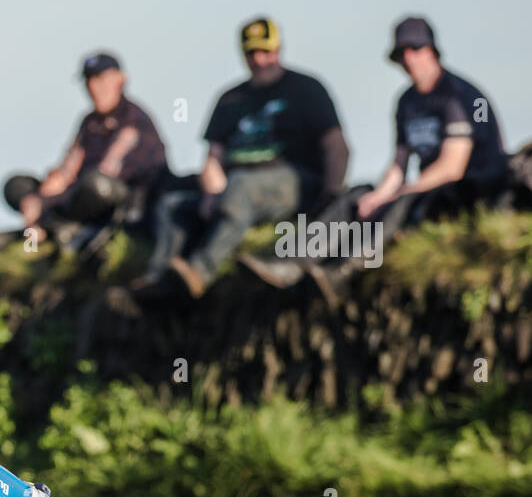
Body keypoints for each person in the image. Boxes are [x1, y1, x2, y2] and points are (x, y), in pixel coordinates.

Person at [134, 17, 349, 302]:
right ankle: (158, 278)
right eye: (252, 53)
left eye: (265, 51)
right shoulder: (230, 99)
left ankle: (199, 272)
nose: (259, 60)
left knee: (241, 186)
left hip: (291, 181)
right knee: (171, 206)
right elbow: (213, 158)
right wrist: (212, 192)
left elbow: (336, 145)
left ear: (278, 50)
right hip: (233, 185)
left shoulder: (306, 90)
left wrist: (330, 199)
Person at [355, 17, 507, 242]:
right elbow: (399, 163)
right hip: (429, 189)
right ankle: (306, 260)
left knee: (404, 203)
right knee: (358, 198)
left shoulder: (459, 96)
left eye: (415, 48)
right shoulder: (407, 101)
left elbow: (451, 168)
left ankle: (348, 268)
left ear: (432, 51)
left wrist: (403, 193)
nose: (408, 59)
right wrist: (379, 196)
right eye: (401, 53)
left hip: (470, 191)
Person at [2, 52, 167, 246]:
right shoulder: (89, 122)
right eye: (89, 80)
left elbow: (106, 173)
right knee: (17, 186)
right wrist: (40, 198)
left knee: (95, 185)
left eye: (101, 79)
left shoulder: (133, 121)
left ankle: (51, 225)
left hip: (124, 202)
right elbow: (67, 170)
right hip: (76, 196)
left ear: (121, 79)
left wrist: (47, 204)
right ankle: (49, 224)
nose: (94, 87)